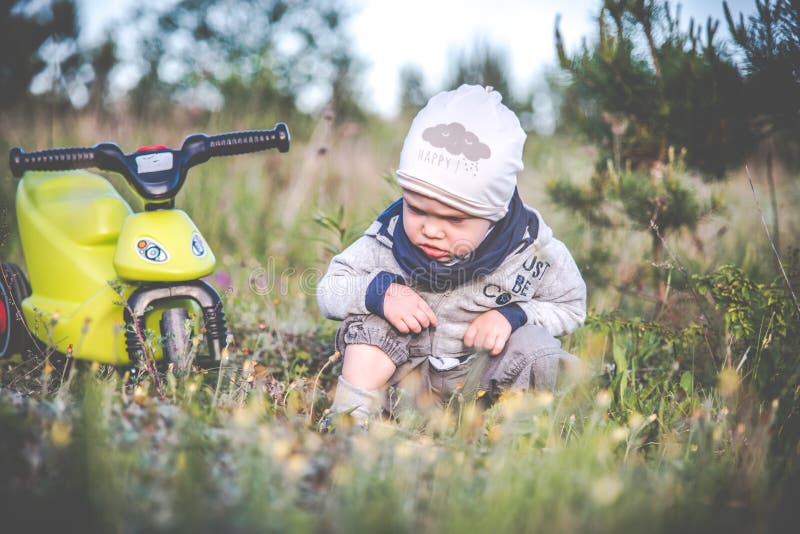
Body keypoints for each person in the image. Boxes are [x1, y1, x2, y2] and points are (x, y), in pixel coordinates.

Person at [317, 84, 586, 426]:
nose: (431, 229)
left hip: (480, 385)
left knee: (537, 350)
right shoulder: (387, 239)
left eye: (454, 219)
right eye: (416, 208)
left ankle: (512, 437)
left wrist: (514, 315)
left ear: (495, 214)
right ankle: (351, 420)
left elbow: (571, 306)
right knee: (372, 325)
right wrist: (378, 293)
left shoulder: (531, 251)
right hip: (404, 382)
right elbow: (330, 289)